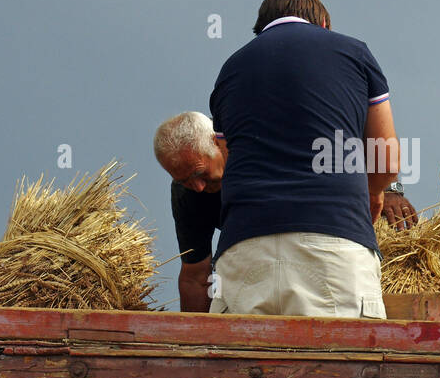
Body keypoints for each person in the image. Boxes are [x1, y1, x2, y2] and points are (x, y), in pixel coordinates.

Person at [205, 0, 400, 317]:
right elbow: (386, 159)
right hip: (334, 245)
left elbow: (224, 161)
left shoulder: (229, 70)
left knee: (240, 368)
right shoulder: (354, 53)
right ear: (323, 23)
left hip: (245, 249)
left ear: (260, 29)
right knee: (341, 367)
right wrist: (376, 191)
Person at [154, 111, 417, 313]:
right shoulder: (188, 193)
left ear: (219, 142)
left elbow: (345, 133)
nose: (197, 187)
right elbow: (195, 276)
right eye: (184, 180)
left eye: (199, 173)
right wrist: (192, 342)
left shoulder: (263, 132)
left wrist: (387, 186)